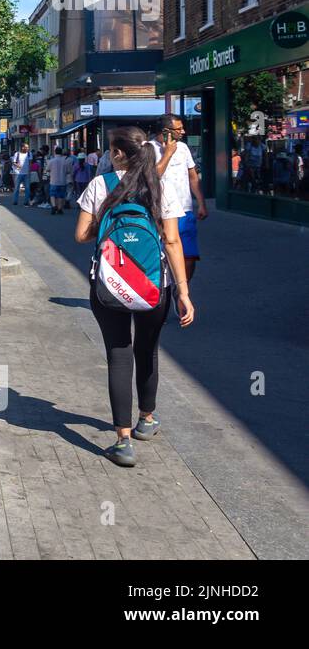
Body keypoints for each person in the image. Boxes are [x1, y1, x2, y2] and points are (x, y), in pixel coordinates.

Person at [75, 125, 194, 467]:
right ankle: (147, 419)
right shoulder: (160, 188)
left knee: (118, 355)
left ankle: (123, 441)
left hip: (109, 284)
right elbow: (172, 242)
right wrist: (183, 293)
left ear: (116, 153)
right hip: (156, 286)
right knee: (147, 350)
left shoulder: (100, 185)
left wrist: (107, 224)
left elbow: (81, 235)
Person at [151, 114, 206, 282]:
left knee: (189, 256)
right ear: (166, 131)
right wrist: (167, 153)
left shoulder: (183, 148)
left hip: (184, 210)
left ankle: (181, 289)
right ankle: (163, 290)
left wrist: (201, 203)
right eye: (179, 129)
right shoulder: (148, 148)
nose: (183, 131)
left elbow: (192, 177)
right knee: (161, 256)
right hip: (160, 212)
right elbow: (152, 177)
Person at [45, 146, 70, 214]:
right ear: (61, 153)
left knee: (52, 194)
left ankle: (53, 206)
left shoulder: (52, 161)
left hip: (53, 180)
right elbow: (68, 171)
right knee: (61, 195)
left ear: (55, 152)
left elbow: (47, 169)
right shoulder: (65, 161)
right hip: (62, 181)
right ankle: (59, 208)